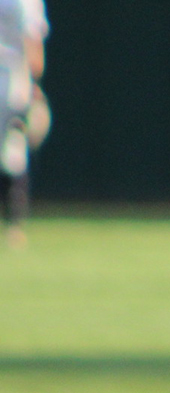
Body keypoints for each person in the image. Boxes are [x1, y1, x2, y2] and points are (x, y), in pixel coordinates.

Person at [0, 0, 47, 249]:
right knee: (13, 152)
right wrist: (36, 86)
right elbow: (32, 39)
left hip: (10, 77)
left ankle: (14, 226)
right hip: (13, 80)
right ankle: (14, 227)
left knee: (12, 152)